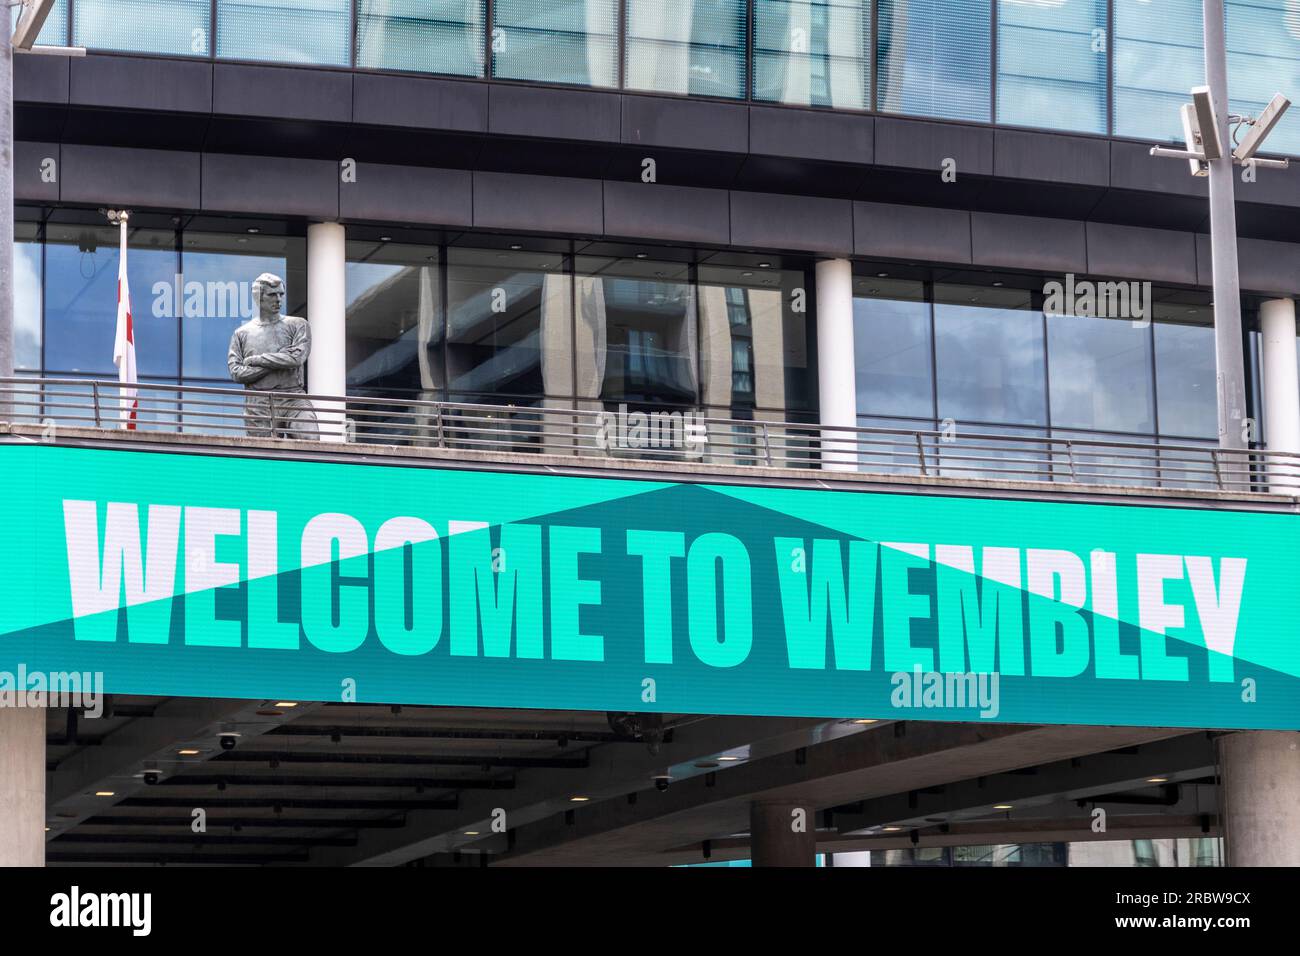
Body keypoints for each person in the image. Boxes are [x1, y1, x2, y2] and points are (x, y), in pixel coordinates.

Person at [227, 273, 319, 439]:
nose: (278, 299)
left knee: (310, 437)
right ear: (259, 298)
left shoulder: (298, 324)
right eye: (272, 294)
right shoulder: (241, 333)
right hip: (258, 402)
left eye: (281, 294)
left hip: (293, 398)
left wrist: (257, 361)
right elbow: (236, 373)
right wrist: (279, 360)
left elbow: (296, 358)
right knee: (263, 452)